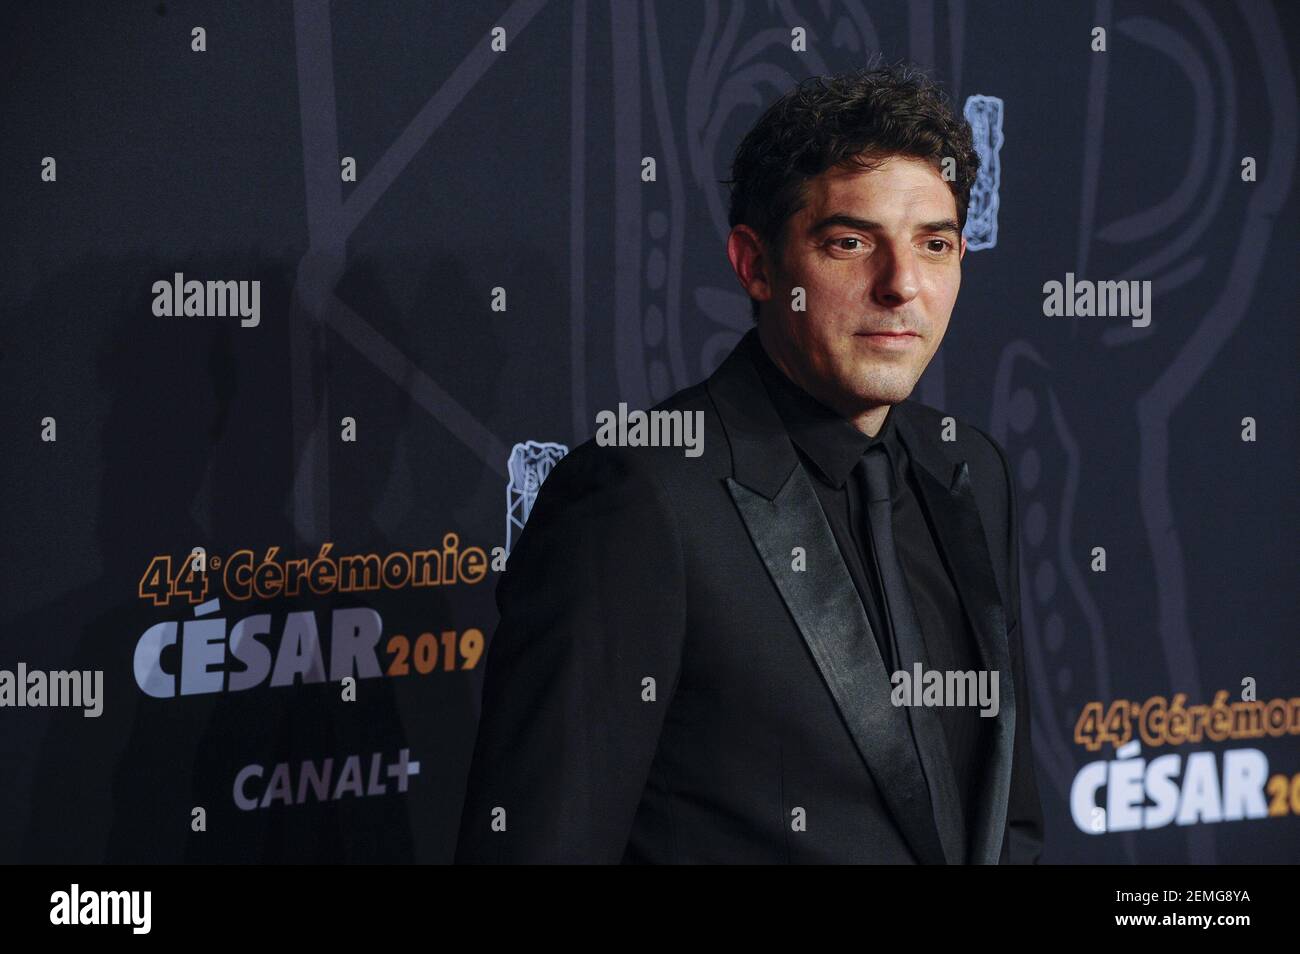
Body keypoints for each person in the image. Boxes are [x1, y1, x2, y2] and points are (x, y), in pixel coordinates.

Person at [455, 63, 1044, 864]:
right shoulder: (638, 497)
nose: (902, 285)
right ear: (757, 265)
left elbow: (1007, 821)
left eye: (934, 245)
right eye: (849, 242)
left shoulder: (970, 470)